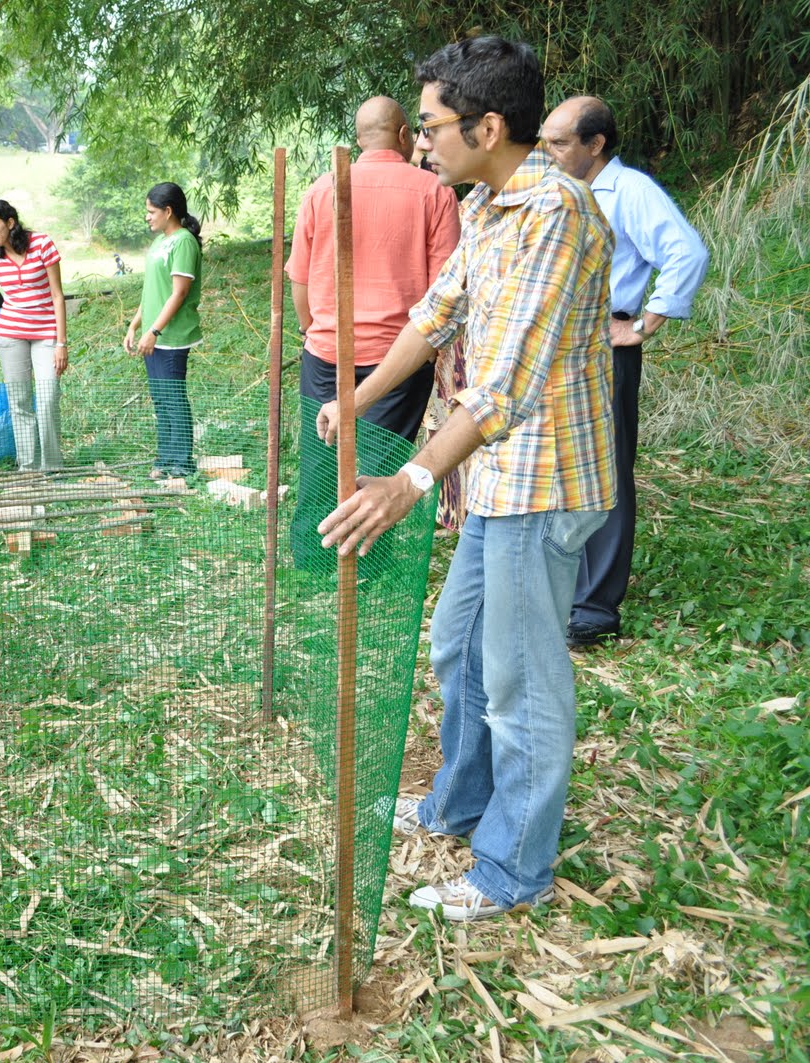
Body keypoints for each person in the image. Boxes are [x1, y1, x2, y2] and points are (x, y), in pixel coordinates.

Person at [314, 38, 616, 921]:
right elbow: (436, 314)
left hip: (547, 480)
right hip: (497, 478)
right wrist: (362, 399)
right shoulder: (486, 204)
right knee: (458, 644)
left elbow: (505, 383)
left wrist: (408, 477)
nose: (422, 144)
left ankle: (513, 869)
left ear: (489, 126)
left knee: (521, 680)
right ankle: (461, 799)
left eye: (435, 126)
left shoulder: (558, 214)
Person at [541, 96, 711, 649]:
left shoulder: (630, 190)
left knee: (606, 470)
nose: (548, 149)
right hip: (553, 343)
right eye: (546, 138)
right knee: (559, 462)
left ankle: (594, 607)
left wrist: (643, 325)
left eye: (560, 141)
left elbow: (686, 252)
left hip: (604, 343)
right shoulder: (554, 185)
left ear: (596, 144)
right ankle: (561, 585)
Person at [286, 96, 461, 566]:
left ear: (359, 137)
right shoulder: (434, 193)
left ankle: (312, 554)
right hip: (399, 356)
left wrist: (313, 330)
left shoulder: (322, 189)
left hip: (325, 351)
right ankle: (363, 559)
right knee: (380, 460)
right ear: (405, 135)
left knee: (322, 456)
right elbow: (445, 285)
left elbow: (298, 279)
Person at [0, 199, 67, 471]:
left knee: (48, 395)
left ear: (10, 222)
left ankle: (52, 466)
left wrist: (61, 342)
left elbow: (57, 295)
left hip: (46, 333)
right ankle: (27, 467)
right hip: (11, 334)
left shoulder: (41, 244)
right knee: (19, 401)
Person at [124, 182, 204, 479]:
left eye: (151, 211)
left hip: (171, 337)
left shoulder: (183, 241)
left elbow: (179, 293)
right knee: (160, 399)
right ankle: (166, 458)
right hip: (152, 335)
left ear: (168, 211)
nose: (147, 217)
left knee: (173, 398)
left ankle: (181, 463)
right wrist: (135, 325)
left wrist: (154, 331)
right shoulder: (160, 242)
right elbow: (153, 292)